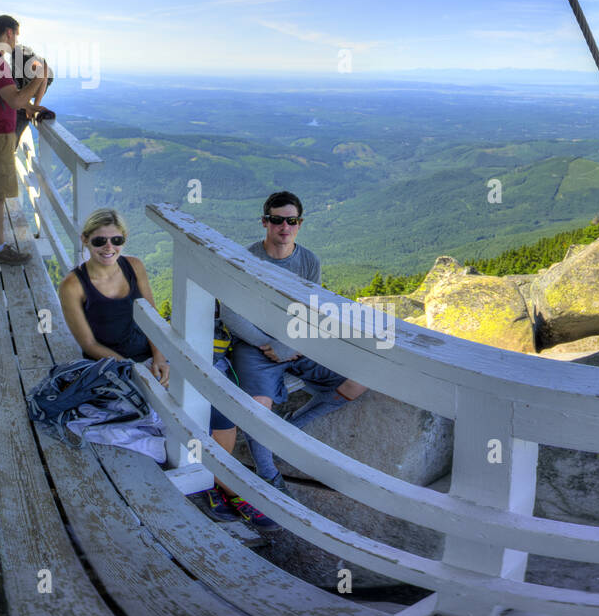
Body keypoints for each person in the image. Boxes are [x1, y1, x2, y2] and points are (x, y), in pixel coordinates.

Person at [205, 191, 368, 520]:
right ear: (265, 222)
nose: (284, 227)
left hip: (296, 344)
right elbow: (233, 316)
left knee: (358, 380)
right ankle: (269, 475)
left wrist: (289, 345)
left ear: (300, 224)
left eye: (291, 221)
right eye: (277, 220)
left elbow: (312, 308)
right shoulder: (246, 259)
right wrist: (270, 345)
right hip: (253, 346)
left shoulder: (309, 261)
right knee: (257, 409)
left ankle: (292, 429)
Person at [0, 14, 52, 265]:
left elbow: (7, 98)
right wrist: (39, 77)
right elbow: (14, 100)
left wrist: (30, 107)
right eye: (16, 34)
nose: (17, 40)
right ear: (8, 33)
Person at [58, 208, 167, 388]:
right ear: (85, 240)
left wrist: (159, 357)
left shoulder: (135, 266)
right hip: (109, 363)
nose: (109, 247)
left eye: (116, 240)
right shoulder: (72, 285)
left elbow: (151, 316)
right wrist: (131, 369)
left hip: (151, 354)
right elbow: (89, 344)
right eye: (100, 241)